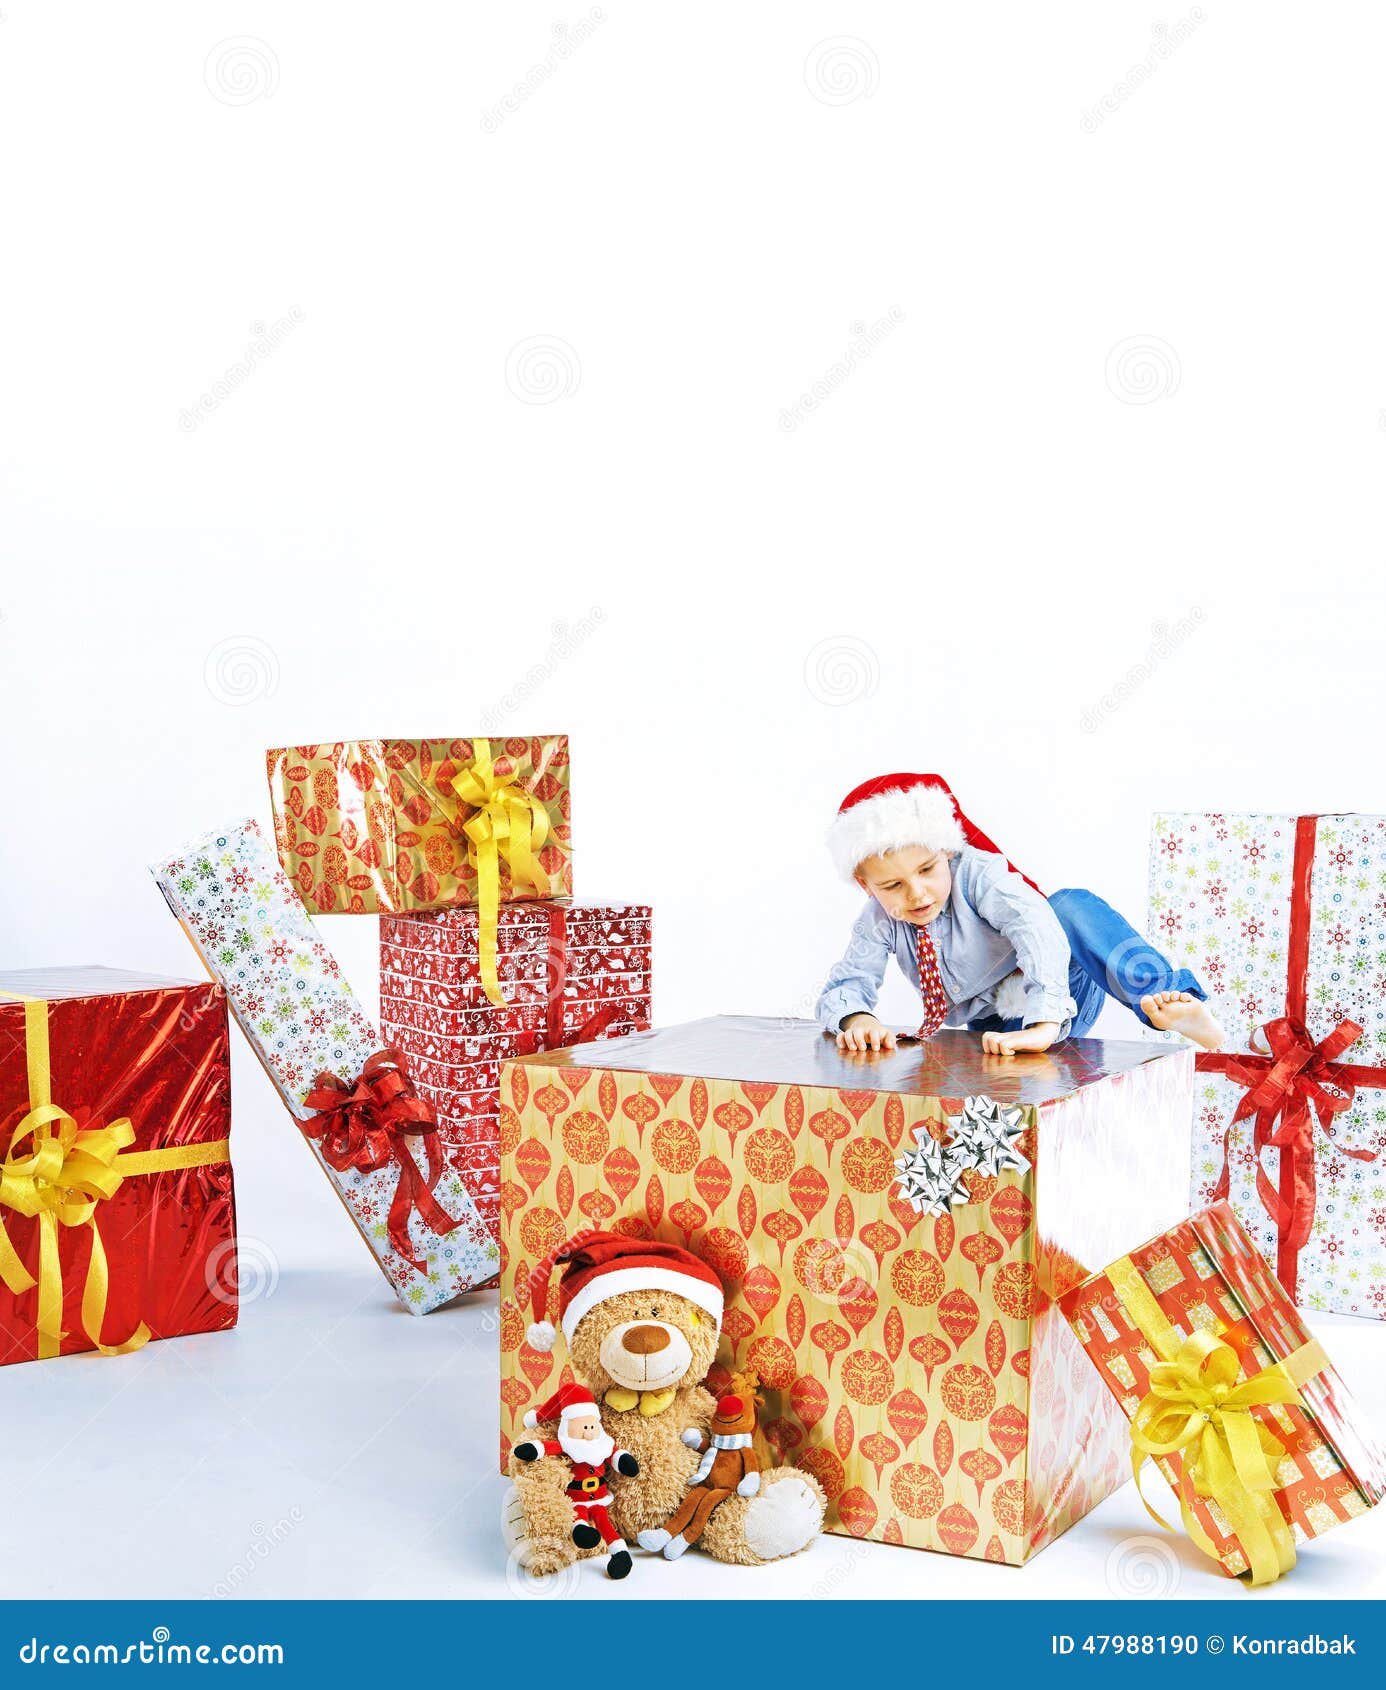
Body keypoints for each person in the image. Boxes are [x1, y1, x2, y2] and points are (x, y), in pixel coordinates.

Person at [817, 772, 1224, 1056]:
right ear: (867, 887)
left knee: (1066, 906)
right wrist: (855, 1019)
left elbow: (1034, 926)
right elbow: (849, 980)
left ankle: (1171, 1003)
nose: (917, 893)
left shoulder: (978, 872)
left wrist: (1044, 1019)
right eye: (892, 886)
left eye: (927, 870)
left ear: (947, 851)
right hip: (993, 1029)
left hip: (1057, 986)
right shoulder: (878, 919)